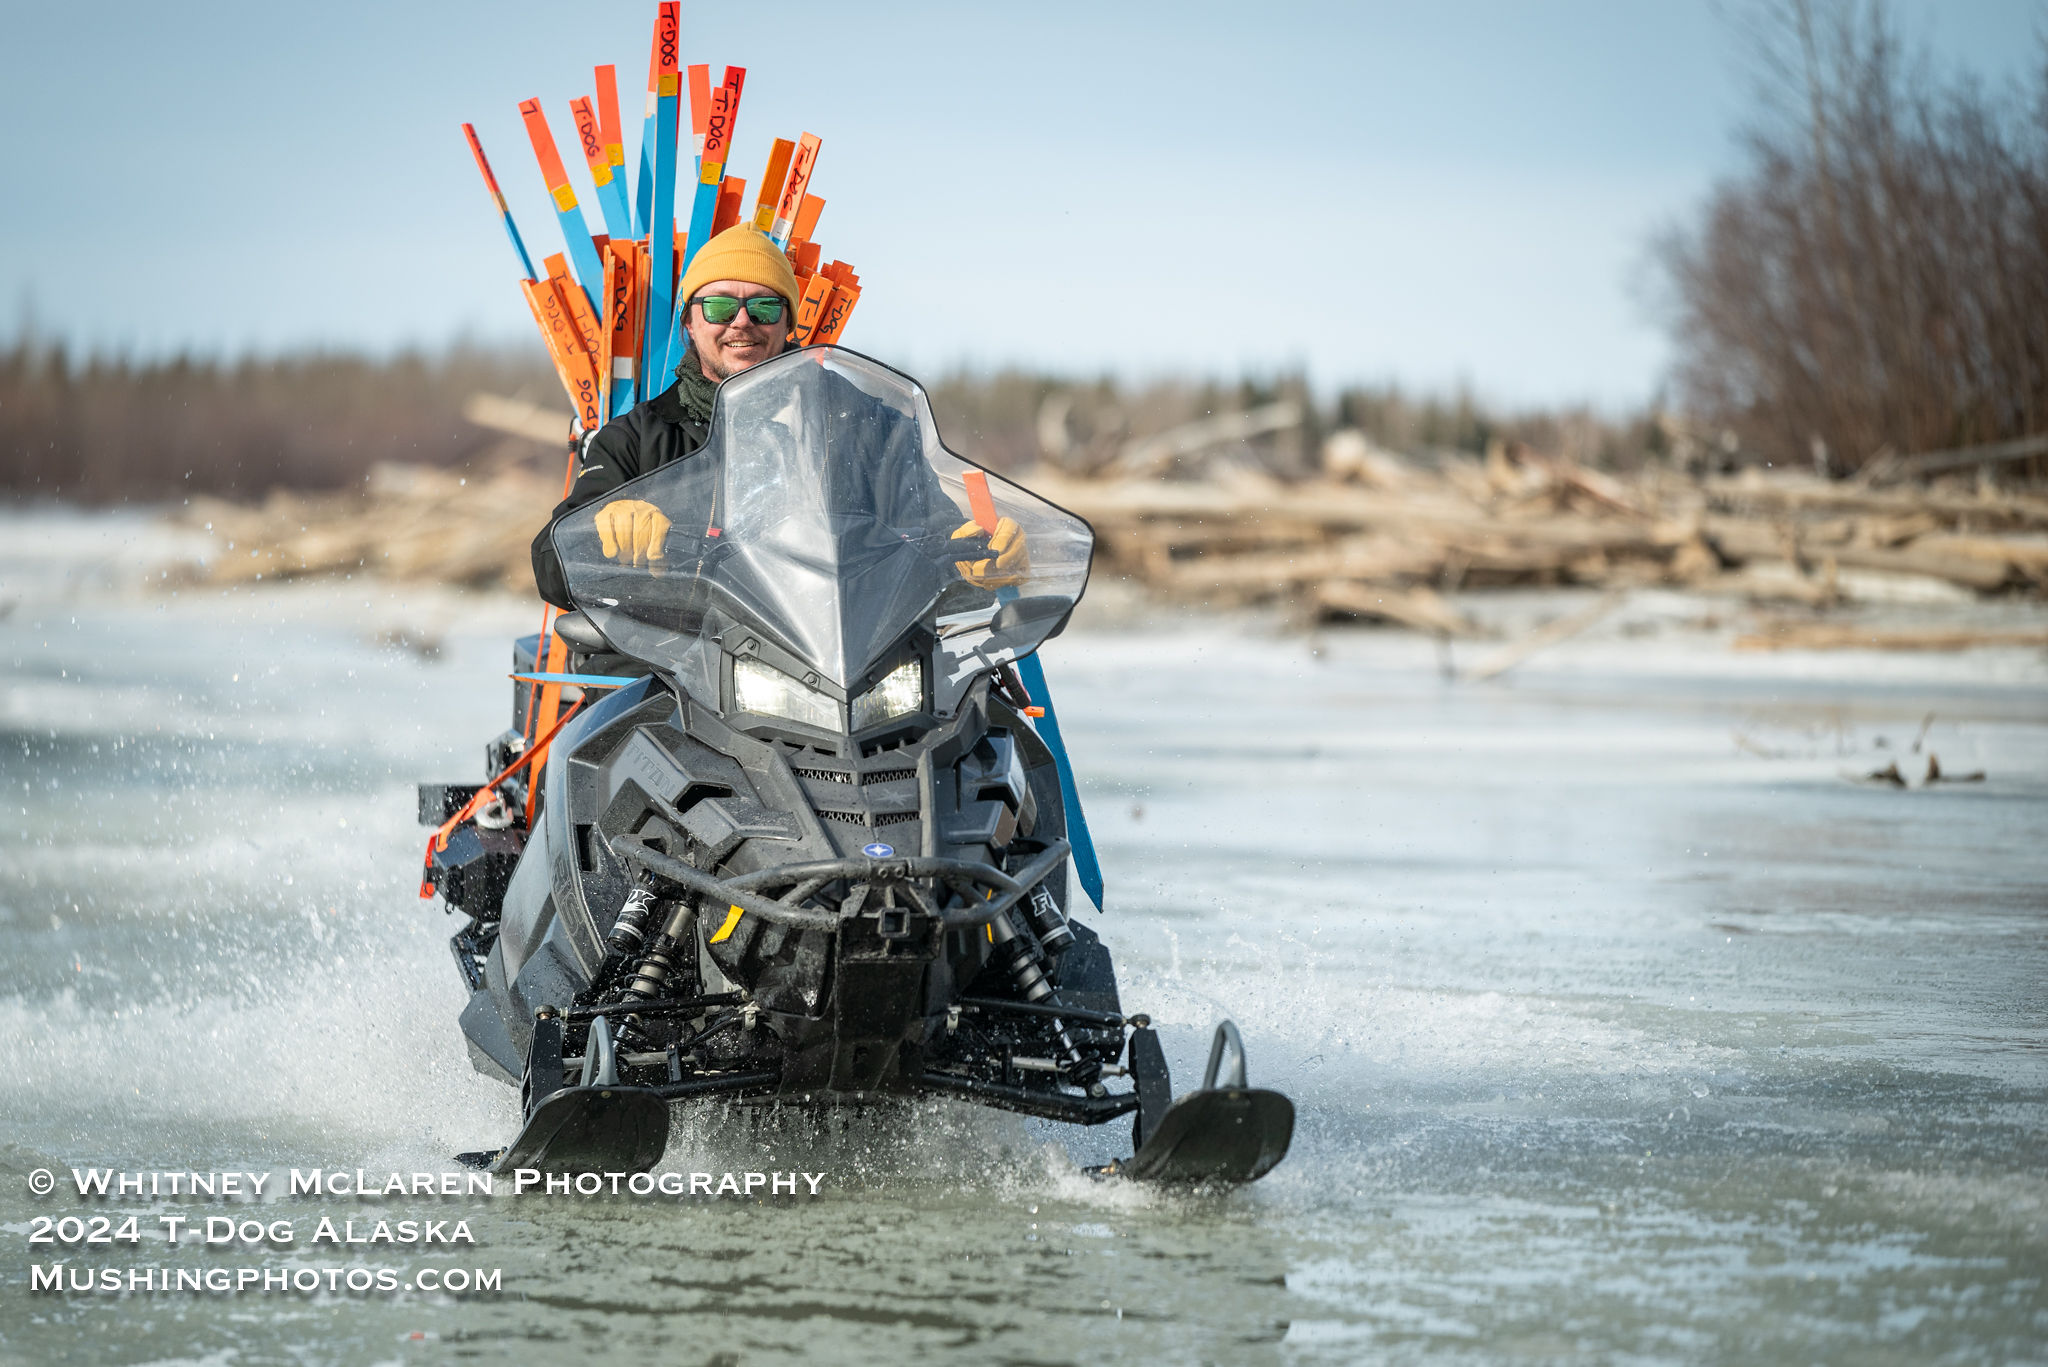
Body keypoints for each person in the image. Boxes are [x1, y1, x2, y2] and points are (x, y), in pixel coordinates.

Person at [531, 224, 1025, 608]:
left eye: (765, 308)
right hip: (678, 671)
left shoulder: (867, 426)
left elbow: (937, 538)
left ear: (789, 322)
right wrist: (597, 530)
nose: (742, 321)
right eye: (719, 306)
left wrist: (983, 556)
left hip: (840, 664)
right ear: (690, 322)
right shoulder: (639, 438)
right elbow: (550, 565)